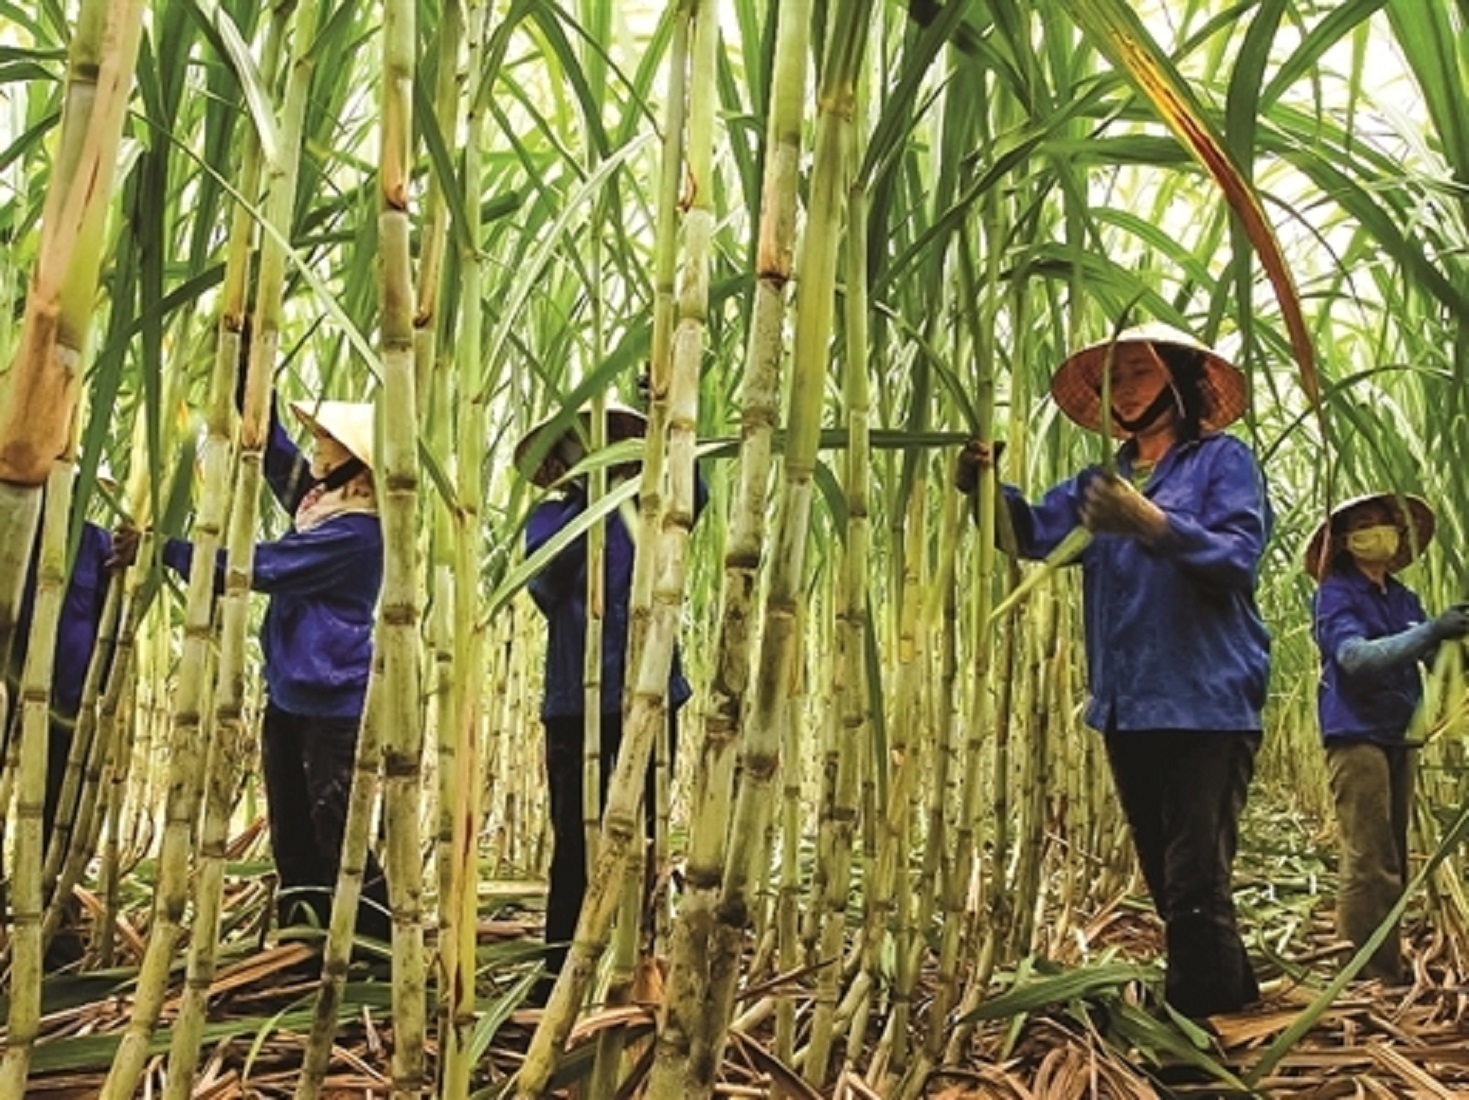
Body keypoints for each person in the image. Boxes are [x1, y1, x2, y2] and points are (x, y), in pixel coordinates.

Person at [956, 322, 1271, 1017]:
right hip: (1127, 704)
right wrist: (982, 489)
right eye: (1115, 378)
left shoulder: (1222, 462)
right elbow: (1030, 535)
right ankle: (1232, 1000)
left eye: (1140, 372)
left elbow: (1236, 560)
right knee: (1169, 880)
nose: (1125, 389)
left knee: (1194, 881)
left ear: (1180, 380)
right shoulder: (1097, 484)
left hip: (1205, 699)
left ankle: (1199, 1040)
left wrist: (1153, 523)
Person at [159, 396, 390, 941]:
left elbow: (260, 568)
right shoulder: (321, 505)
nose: (317, 443)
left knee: (335, 826)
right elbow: (279, 458)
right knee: (292, 823)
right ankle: (304, 935)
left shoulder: (356, 533)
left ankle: (376, 944)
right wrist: (248, 387)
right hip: (291, 690)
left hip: (333, 696)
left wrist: (166, 551)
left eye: (327, 438)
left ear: (353, 461)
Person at [516, 400, 702, 987]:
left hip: (650, 696)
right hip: (577, 704)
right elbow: (545, 583)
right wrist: (592, 507)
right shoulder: (550, 520)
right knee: (576, 843)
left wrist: (671, 414)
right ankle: (560, 977)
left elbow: (693, 494)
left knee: (643, 840)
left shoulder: (650, 508)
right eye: (575, 446)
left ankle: (634, 970)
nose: (586, 453)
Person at [1305, 492, 1469, 983]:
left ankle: (1387, 965)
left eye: (1384, 522)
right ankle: (1360, 974)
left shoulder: (1402, 598)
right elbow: (1355, 658)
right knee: (1368, 858)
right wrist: (1431, 631)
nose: (1377, 530)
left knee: (1391, 854)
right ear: (1346, 541)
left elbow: (1438, 665)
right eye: (1363, 524)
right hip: (1355, 733)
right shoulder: (1336, 593)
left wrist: (1453, 641)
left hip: (1399, 734)